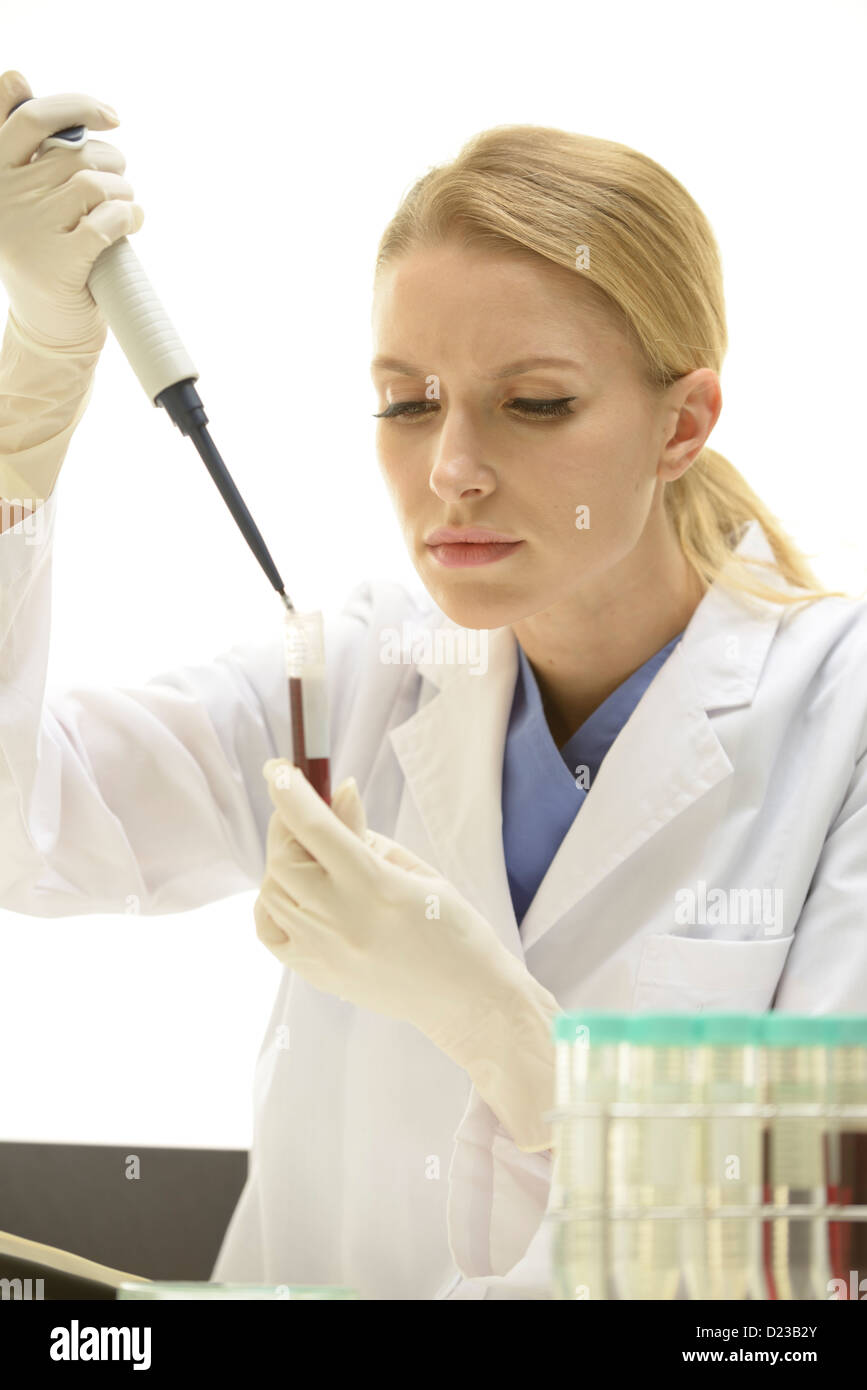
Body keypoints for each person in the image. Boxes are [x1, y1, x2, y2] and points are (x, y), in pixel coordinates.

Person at [1, 71, 865, 1302]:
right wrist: (24, 404)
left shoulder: (845, 731)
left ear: (684, 424)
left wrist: (498, 1029)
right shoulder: (366, 673)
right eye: (408, 402)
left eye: (534, 404)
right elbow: (21, 829)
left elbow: (806, 1259)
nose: (451, 469)